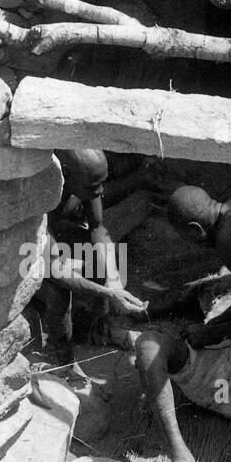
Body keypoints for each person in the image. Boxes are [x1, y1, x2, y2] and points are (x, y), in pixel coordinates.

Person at [134, 182, 231, 462]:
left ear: (196, 231)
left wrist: (210, 332)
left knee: (148, 344)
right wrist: (226, 319)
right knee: (216, 291)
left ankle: (181, 456)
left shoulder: (227, 239)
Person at [31, 148, 148, 361]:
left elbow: (99, 230)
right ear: (65, 172)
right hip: (25, 252)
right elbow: (55, 269)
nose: (100, 190)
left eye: (101, 182)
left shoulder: (83, 179)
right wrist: (106, 292)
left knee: (108, 256)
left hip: (55, 236)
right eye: (94, 186)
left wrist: (114, 282)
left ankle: (100, 329)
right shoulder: (37, 190)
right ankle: (62, 357)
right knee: (59, 295)